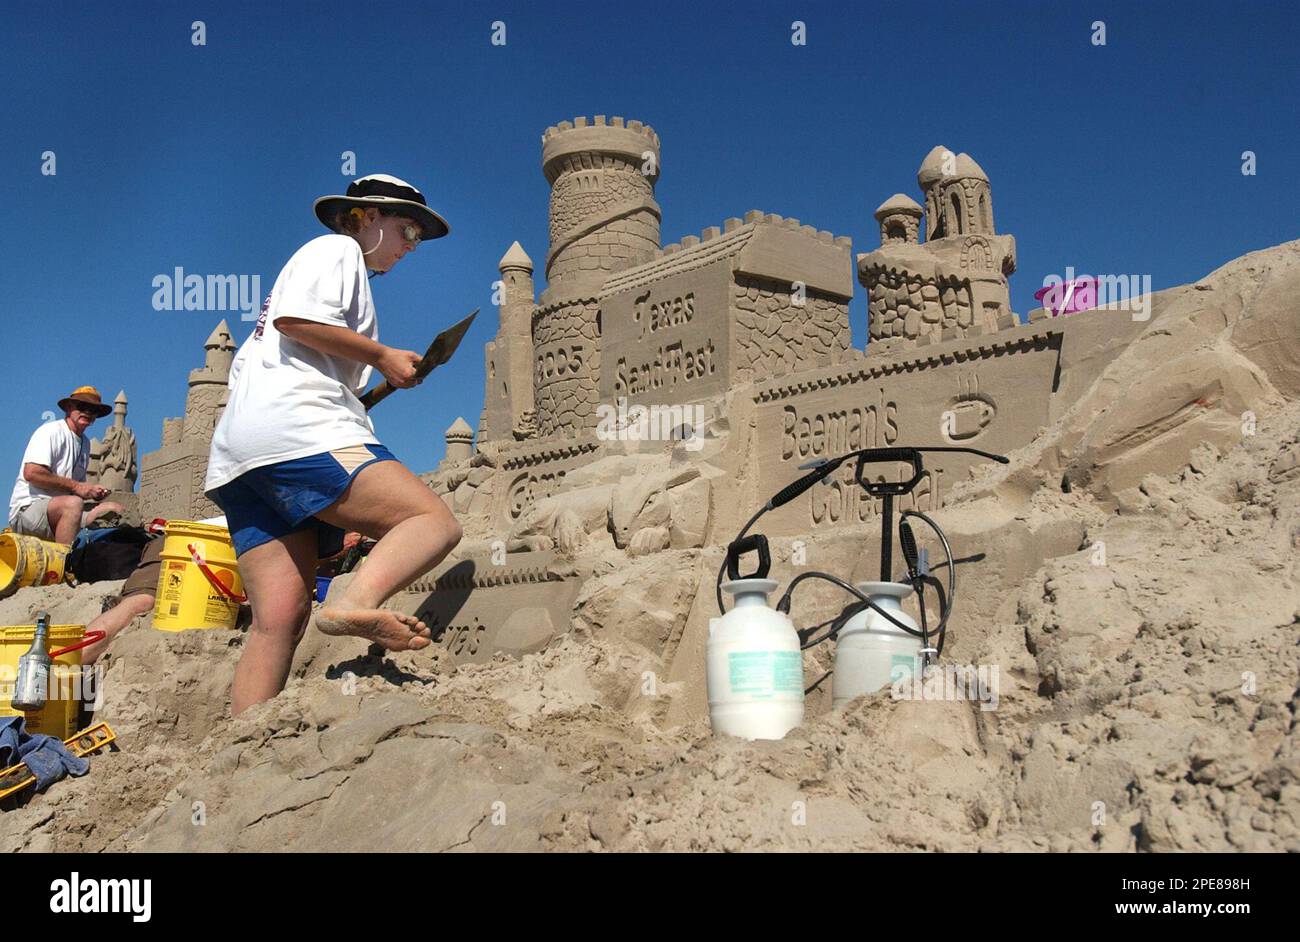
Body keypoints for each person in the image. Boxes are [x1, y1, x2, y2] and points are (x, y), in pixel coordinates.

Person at [204, 174, 463, 715]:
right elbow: (295, 320)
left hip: (244, 457)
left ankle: (240, 747)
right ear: (366, 216)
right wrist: (382, 354)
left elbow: (305, 354)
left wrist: (385, 378)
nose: (411, 246)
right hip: (297, 429)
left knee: (278, 620)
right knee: (432, 522)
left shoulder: (342, 271)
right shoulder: (337, 248)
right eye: (407, 229)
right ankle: (356, 601)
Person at [7, 386, 126, 545]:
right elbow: (32, 473)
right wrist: (78, 487)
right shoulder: (51, 431)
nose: (88, 412)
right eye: (82, 407)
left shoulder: (85, 444)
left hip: (63, 513)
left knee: (113, 509)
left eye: (93, 409)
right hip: (28, 512)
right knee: (73, 504)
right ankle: (66, 563)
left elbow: (75, 490)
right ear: (69, 408)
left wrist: (90, 492)